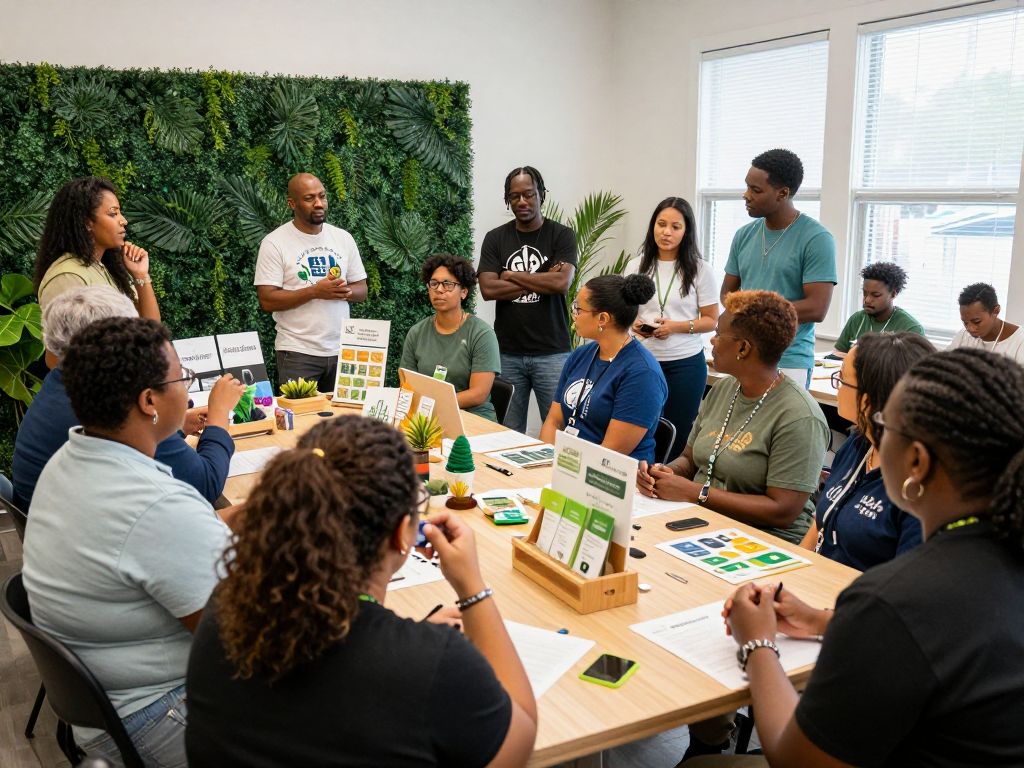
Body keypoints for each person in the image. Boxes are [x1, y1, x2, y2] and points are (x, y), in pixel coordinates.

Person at [700, 348, 1024, 767]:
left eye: (886, 427)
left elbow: (795, 760)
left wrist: (758, 644)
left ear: (916, 462)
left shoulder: (894, 599)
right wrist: (821, 620)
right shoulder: (993, 558)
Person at [185, 416, 538, 766]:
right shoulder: (434, 667)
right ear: (403, 532)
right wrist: (471, 587)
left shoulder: (226, 609)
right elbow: (520, 736)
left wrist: (409, 641)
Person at [22, 316, 233, 766]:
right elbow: (241, 638)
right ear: (149, 400)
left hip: (105, 708)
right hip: (157, 717)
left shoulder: (69, 459)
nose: (189, 388)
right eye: (183, 378)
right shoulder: (153, 505)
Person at [11, 286, 244, 509]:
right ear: (112, 344)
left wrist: (177, 424)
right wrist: (219, 415)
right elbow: (205, 485)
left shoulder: (61, 385)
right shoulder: (109, 401)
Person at [638, 290, 828, 545]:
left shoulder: (799, 417)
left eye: (717, 334)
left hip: (765, 541)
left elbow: (783, 511)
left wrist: (696, 494)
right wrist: (663, 473)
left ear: (743, 348)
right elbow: (690, 460)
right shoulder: (725, 389)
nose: (713, 341)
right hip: (702, 522)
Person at [801, 332, 934, 571]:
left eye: (842, 379)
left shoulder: (920, 484)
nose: (837, 386)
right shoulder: (858, 444)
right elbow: (821, 523)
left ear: (871, 398)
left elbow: (905, 588)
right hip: (818, 584)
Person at [720, 149, 836, 387]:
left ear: (782, 193)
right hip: (742, 353)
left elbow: (817, 308)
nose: (746, 195)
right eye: (747, 187)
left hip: (788, 360)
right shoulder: (744, 235)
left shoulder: (816, 238)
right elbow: (727, 295)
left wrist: (754, 313)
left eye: (756, 190)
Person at [478, 166, 577, 433]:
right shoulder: (496, 238)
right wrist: (541, 278)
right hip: (507, 352)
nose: (522, 202)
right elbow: (488, 289)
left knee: (560, 433)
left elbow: (561, 283)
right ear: (507, 199)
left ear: (541, 194)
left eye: (529, 194)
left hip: (553, 352)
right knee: (506, 433)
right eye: (514, 196)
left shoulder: (562, 235)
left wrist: (509, 274)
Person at [254, 173, 368, 391]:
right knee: (300, 422)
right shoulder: (274, 243)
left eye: (322, 196)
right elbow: (267, 300)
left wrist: (341, 291)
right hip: (297, 353)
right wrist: (315, 291)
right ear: (292, 203)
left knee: (343, 422)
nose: (319, 203)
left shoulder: (343, 238)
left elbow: (362, 289)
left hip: (342, 350)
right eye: (309, 198)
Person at [627, 197, 719, 459]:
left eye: (675, 227)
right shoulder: (636, 265)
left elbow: (711, 319)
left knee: (676, 434)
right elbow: (627, 311)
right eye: (661, 224)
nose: (666, 232)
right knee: (641, 429)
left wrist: (675, 327)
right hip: (642, 360)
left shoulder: (701, 269)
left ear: (686, 231)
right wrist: (634, 324)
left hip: (684, 364)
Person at [540, 274, 667, 462]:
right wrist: (545, 462)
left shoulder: (642, 374)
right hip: (566, 464)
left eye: (579, 309)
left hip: (610, 478)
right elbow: (553, 421)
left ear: (602, 318)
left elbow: (608, 454)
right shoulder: (581, 355)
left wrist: (560, 468)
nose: (574, 314)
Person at [34, 176, 160, 326]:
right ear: (87, 223)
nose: (123, 221)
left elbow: (151, 329)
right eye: (113, 214)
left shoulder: (107, 269)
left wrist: (141, 275)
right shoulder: (68, 277)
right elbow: (64, 346)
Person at [400, 253, 501, 421]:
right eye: (434, 283)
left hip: (473, 418)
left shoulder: (482, 334)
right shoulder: (417, 332)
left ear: (463, 292)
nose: (439, 290)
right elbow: (407, 383)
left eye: (447, 284)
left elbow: (478, 394)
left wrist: (432, 403)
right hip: (427, 418)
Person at [831, 262, 924, 357]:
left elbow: (914, 369)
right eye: (865, 293)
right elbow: (837, 355)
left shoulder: (911, 328)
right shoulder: (857, 319)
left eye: (875, 295)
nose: (867, 300)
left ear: (893, 294)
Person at [948, 282, 1024, 364]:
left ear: (996, 311)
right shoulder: (963, 335)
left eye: (976, 322)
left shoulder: (1020, 341)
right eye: (965, 322)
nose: (970, 328)